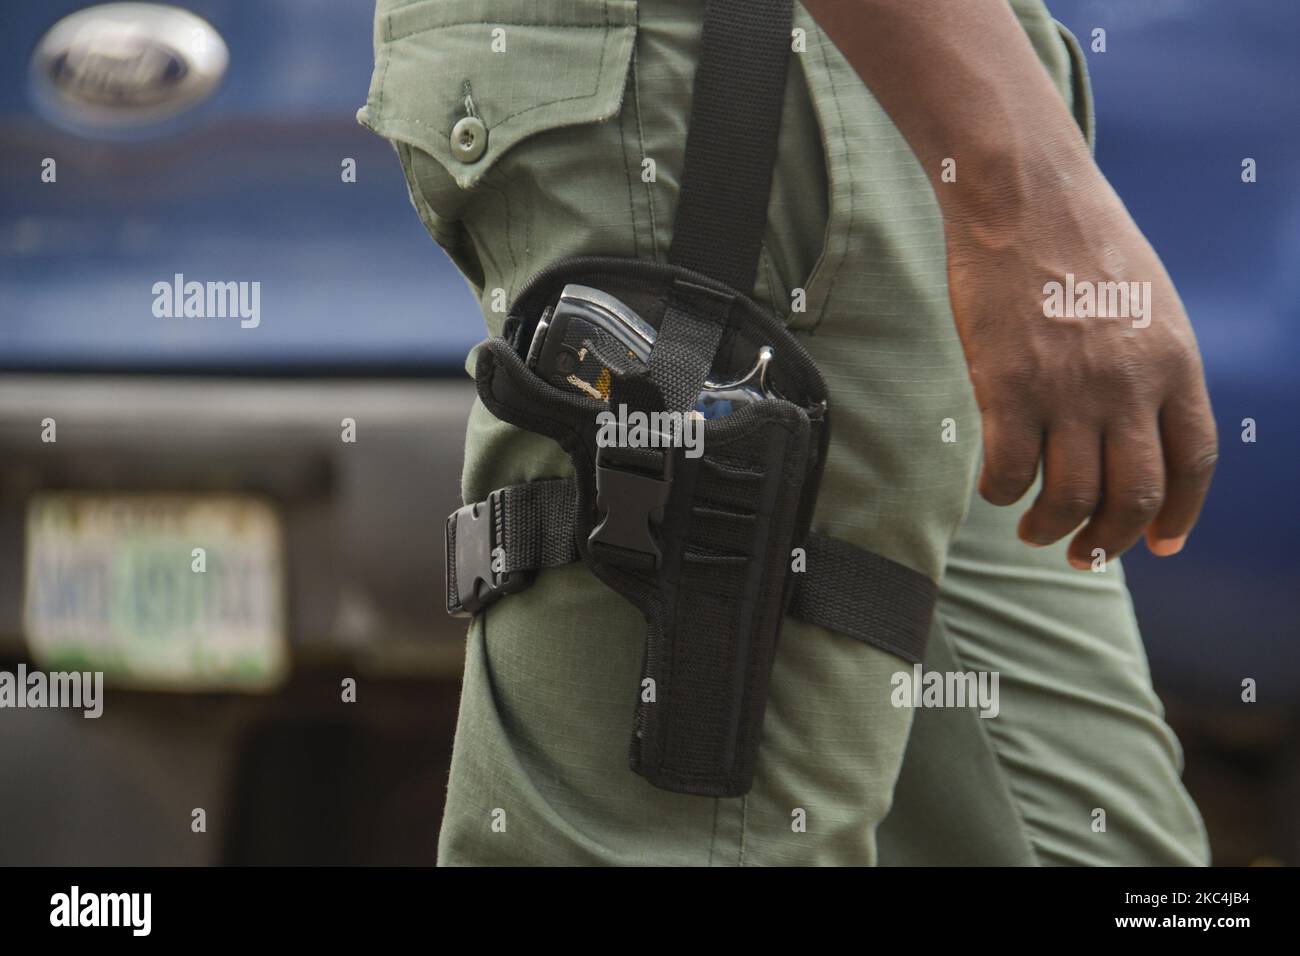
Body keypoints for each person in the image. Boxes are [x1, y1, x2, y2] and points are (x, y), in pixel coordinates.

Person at [359, 0, 1215, 865]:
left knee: (1101, 847)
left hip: (922, 79)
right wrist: (1018, 185)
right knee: (678, 833)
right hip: (744, 75)